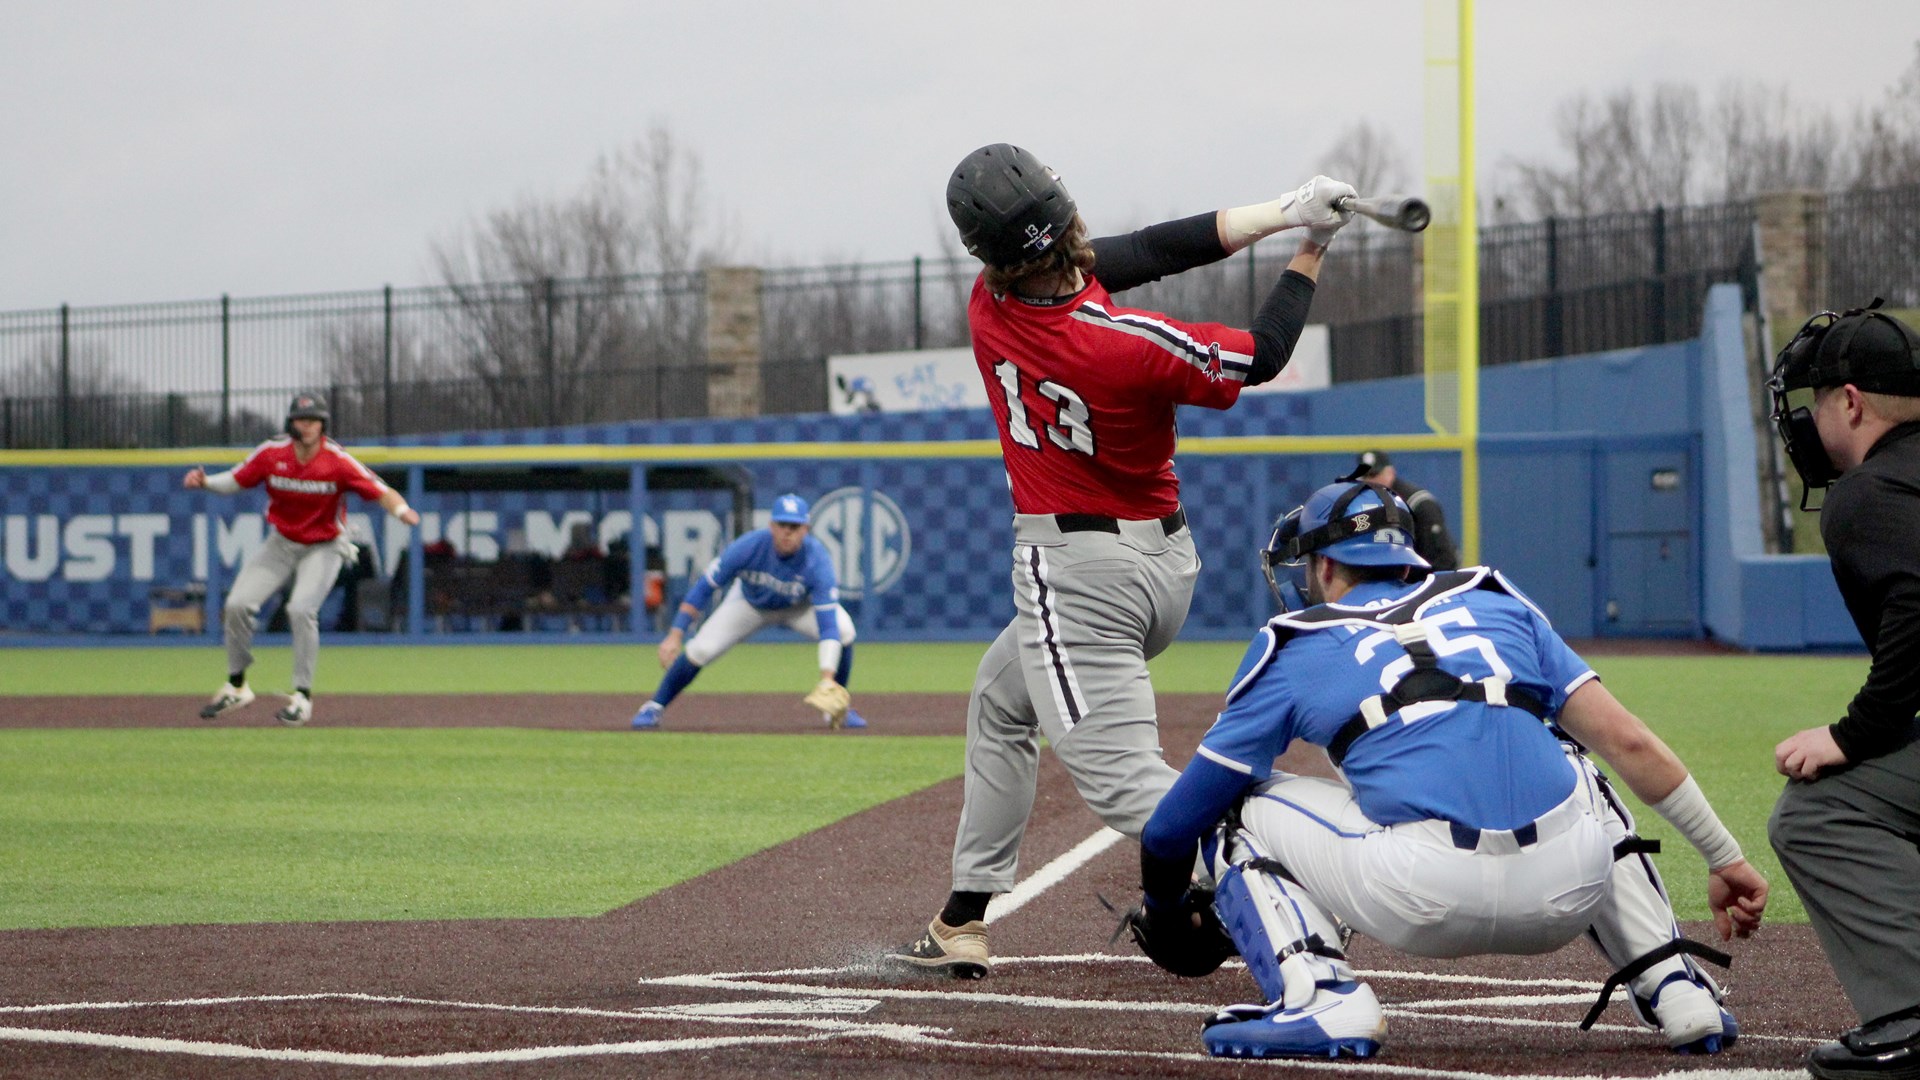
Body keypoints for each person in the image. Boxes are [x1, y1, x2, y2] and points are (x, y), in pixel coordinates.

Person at [886, 143, 1356, 977]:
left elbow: (1146, 252)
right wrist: (1307, 246)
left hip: (1077, 577)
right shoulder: (1125, 340)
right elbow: (1258, 344)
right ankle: (963, 916)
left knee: (1122, 786)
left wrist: (1290, 211)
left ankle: (1307, 868)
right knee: (1001, 699)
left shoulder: (987, 305)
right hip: (1163, 566)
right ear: (1062, 218)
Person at [1123, 479, 1768, 1060]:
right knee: (1580, 763)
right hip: (1568, 886)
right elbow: (1633, 746)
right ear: (1405, 554)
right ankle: (1674, 984)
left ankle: (1319, 992)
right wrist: (1725, 857)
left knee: (1237, 803)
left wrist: (1166, 910)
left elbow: (1174, 826)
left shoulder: (1293, 640)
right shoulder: (1493, 594)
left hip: (1421, 894)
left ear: (1323, 565)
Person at [1765, 302, 1920, 1080]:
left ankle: (1913, 1019)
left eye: (1817, 402)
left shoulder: (1872, 491)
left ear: (1851, 402)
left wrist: (1855, 734)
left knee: (1818, 812)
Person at [185, 392, 420, 726]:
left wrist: (402, 510)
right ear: (291, 423)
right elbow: (237, 479)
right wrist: (206, 482)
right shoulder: (272, 454)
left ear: (323, 425)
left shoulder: (336, 460)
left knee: (300, 610)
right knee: (237, 604)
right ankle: (237, 686)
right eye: (302, 419)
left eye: (314, 421)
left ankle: (302, 697)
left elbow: (381, 490)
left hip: (325, 546)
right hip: (281, 543)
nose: (308, 426)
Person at [629, 493, 864, 730]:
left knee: (844, 632)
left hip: (798, 608)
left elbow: (828, 626)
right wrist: (675, 634)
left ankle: (838, 709)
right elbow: (704, 587)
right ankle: (654, 706)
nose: (787, 532)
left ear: (806, 529)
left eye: (795, 526)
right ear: (771, 526)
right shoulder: (748, 546)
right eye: (782, 524)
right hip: (750, 604)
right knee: (700, 649)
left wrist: (827, 678)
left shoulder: (818, 561)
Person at [1355, 449, 1457, 571]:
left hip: (1421, 583)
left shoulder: (1419, 504)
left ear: (1390, 472)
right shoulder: (1359, 504)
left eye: (1374, 475)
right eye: (1364, 476)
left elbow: (1443, 560)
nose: (1369, 481)